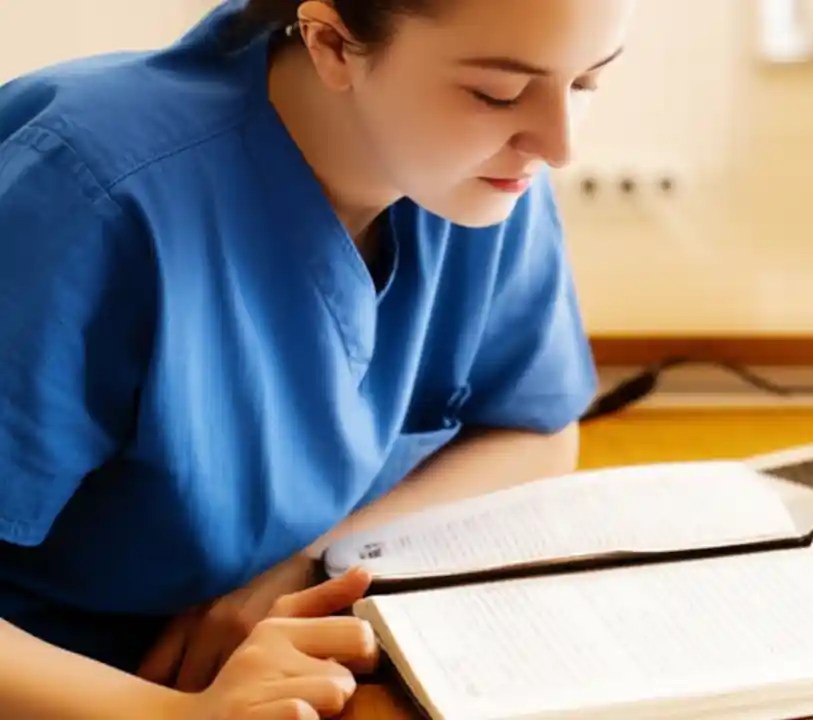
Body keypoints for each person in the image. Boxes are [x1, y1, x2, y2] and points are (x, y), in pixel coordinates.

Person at [0, 0, 634, 716]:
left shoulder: (485, 180)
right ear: (332, 43)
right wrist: (175, 715)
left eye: (586, 82)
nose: (558, 145)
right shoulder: (89, 196)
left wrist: (318, 560)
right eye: (498, 94)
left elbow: (535, 433)